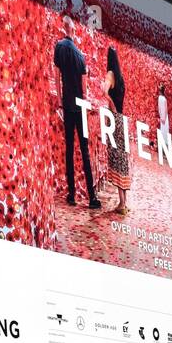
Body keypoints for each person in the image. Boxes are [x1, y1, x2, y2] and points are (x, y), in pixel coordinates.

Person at [53, 19, 101, 208]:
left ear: (63, 28)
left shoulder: (59, 47)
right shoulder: (81, 56)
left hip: (67, 103)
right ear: (74, 30)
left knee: (69, 151)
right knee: (85, 151)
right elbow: (85, 88)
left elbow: (56, 76)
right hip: (80, 105)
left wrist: (59, 100)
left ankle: (71, 194)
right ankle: (92, 197)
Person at [105, 46, 130, 213]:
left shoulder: (110, 75)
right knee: (122, 160)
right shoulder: (121, 78)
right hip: (122, 120)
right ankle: (123, 203)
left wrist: (111, 105)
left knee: (116, 159)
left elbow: (104, 91)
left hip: (115, 120)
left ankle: (121, 203)